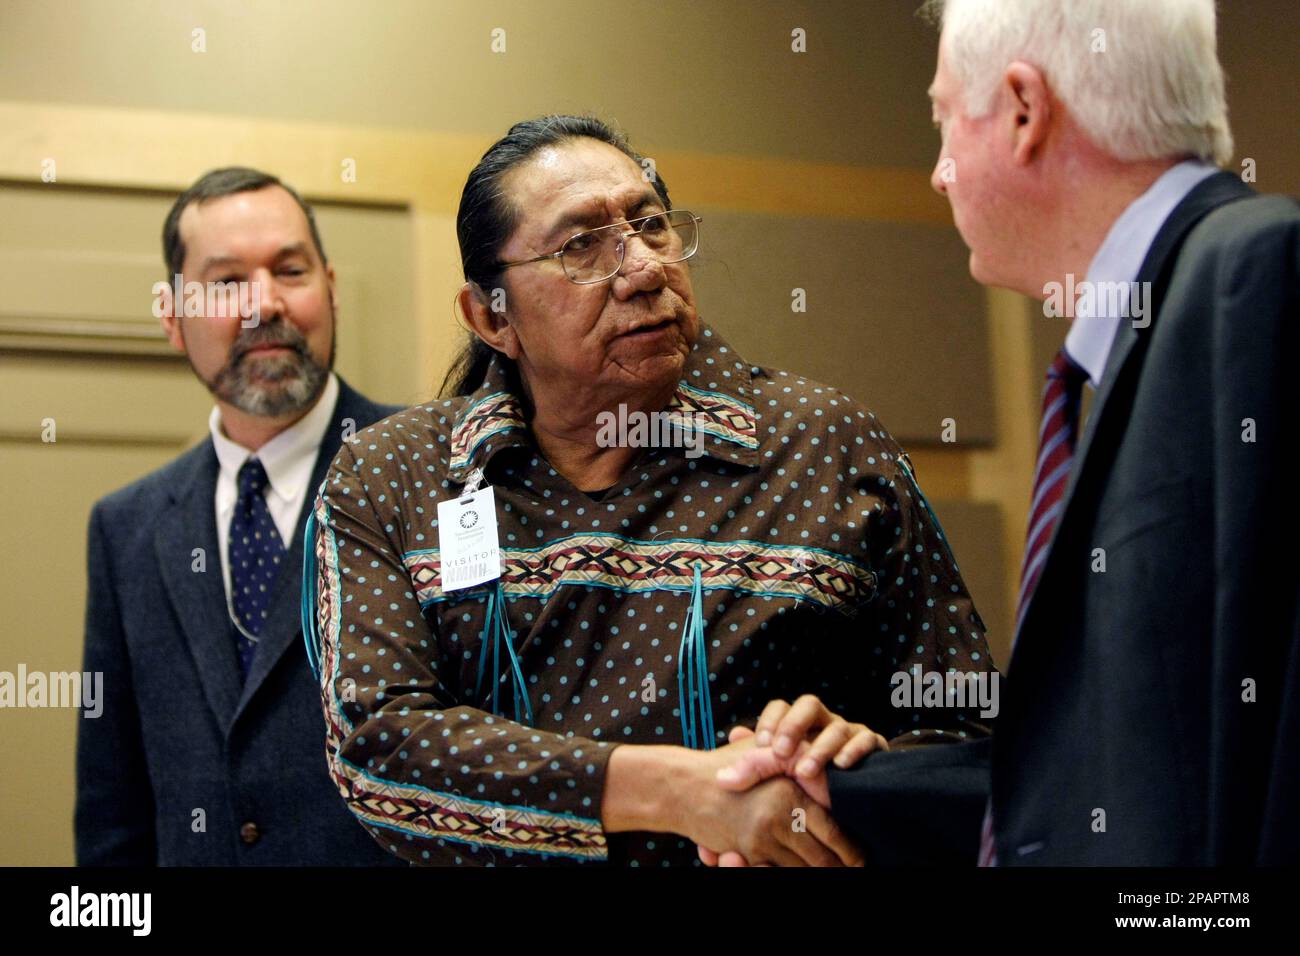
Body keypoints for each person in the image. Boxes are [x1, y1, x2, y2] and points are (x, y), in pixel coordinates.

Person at [303, 115, 995, 867]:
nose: (642, 269)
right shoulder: (393, 476)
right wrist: (681, 792)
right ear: (489, 317)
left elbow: (968, 728)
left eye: (652, 225)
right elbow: (380, 749)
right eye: (581, 246)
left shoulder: (826, 445)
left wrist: (865, 770)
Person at [710, 0, 1299, 866]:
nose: (940, 174)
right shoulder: (1170, 317)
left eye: (945, 118)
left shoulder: (1255, 271)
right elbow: (1114, 773)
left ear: (1024, 111)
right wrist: (846, 789)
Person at [76, 167, 404, 865]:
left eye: (290, 270)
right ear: (171, 317)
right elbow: (113, 811)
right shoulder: (126, 528)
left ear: (332, 290)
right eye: (226, 282)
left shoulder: (432, 472)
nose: (265, 303)